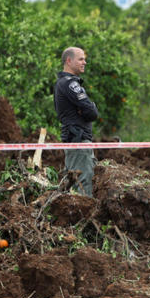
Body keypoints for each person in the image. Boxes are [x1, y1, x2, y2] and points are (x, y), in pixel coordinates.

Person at [54, 47, 99, 197]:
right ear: (69, 61)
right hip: (78, 141)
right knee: (83, 185)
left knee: (79, 184)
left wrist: (87, 109)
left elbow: (87, 111)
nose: (84, 62)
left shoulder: (65, 83)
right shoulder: (69, 84)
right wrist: (91, 107)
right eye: (80, 59)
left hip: (77, 140)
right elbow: (92, 113)